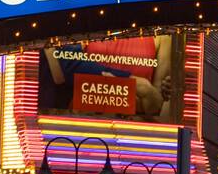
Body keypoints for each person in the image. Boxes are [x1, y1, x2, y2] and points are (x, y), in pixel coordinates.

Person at [40, 34, 174, 121]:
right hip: (84, 122)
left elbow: (156, 103)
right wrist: (138, 86)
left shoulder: (162, 37)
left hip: (133, 129)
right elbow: (61, 66)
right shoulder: (87, 20)